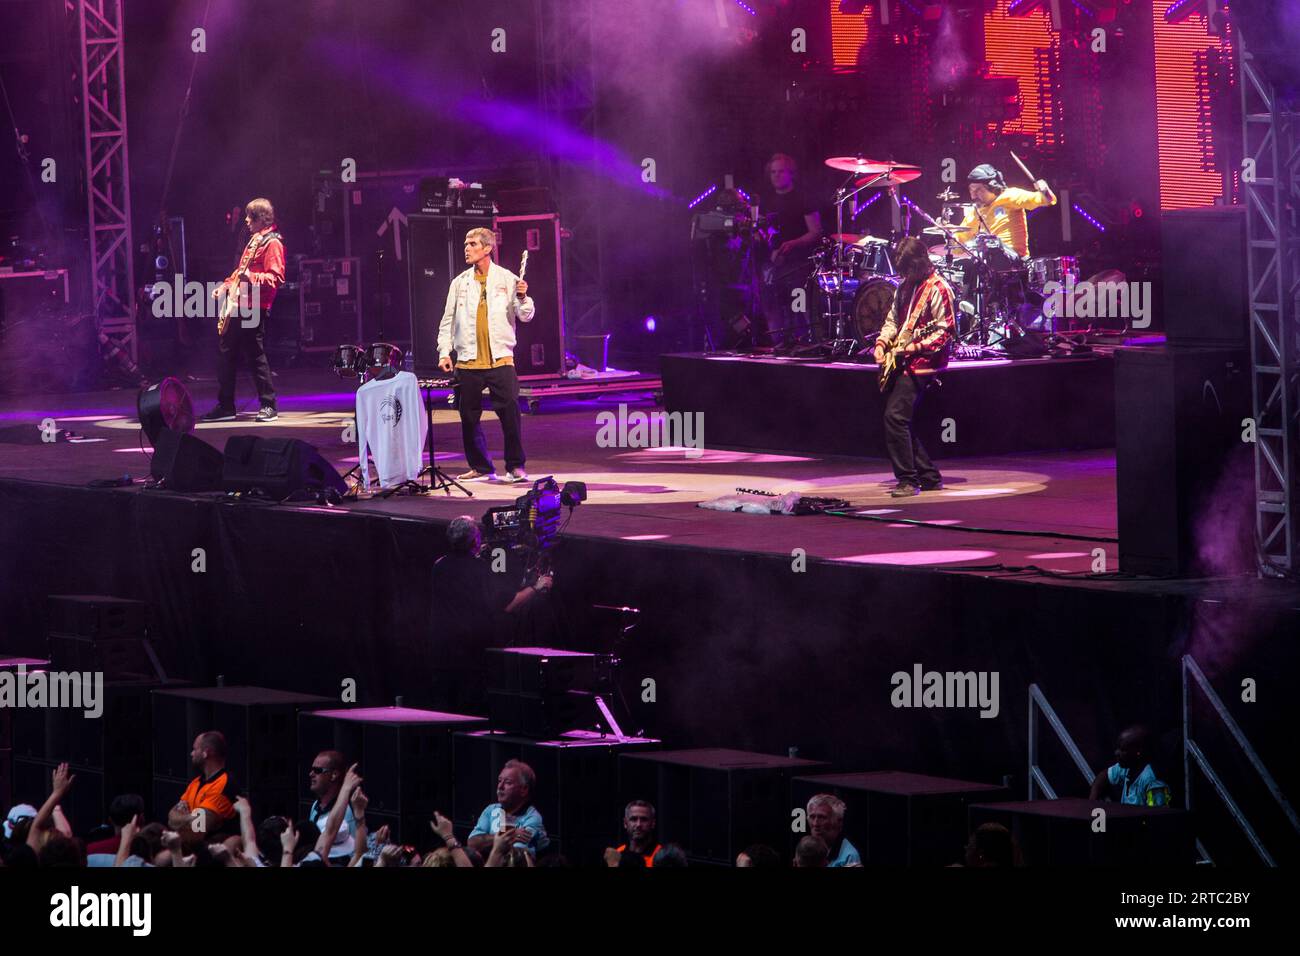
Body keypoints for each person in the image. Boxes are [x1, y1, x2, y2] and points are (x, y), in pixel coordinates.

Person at [437, 227, 535, 482]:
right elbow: (447, 321)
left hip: (500, 359)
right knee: (468, 417)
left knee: (510, 415)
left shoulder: (507, 279)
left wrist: (523, 297)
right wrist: (444, 352)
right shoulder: (459, 283)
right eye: (466, 244)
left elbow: (525, 315)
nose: (466, 248)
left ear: (487, 248)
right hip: (468, 362)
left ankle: (515, 466)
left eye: (472, 244)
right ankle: (480, 466)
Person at [428, 516, 553, 711]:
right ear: (475, 541)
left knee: (445, 711)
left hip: (442, 653)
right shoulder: (480, 570)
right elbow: (508, 604)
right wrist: (536, 587)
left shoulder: (439, 566)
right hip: (471, 656)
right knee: (472, 712)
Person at [873, 236, 956, 497]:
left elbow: (945, 331)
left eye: (908, 269)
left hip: (925, 363)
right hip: (903, 359)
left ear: (920, 262)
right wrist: (882, 343)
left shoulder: (939, 288)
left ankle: (908, 480)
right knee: (902, 421)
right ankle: (929, 476)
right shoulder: (904, 287)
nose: (906, 275)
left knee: (895, 418)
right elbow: (892, 320)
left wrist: (915, 347)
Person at [201, 198, 285, 422]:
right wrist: (225, 286)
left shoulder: (272, 243)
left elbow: (276, 278)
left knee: (255, 356)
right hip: (238, 304)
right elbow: (240, 272)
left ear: (260, 219)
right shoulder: (254, 241)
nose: (246, 221)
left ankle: (269, 405)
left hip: (255, 305)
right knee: (226, 355)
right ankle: (226, 406)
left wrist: (252, 277)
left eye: (250, 217)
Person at [760, 153, 823, 345]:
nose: (776, 176)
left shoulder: (803, 198)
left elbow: (816, 231)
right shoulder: (766, 201)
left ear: (791, 174)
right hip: (773, 265)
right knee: (773, 308)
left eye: (781, 172)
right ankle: (777, 347)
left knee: (800, 307)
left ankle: (808, 345)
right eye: (773, 172)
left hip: (798, 266)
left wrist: (794, 243)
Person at [949, 164, 1056, 259]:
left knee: (992, 247)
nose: (973, 195)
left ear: (993, 187)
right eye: (971, 190)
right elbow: (959, 245)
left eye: (978, 190)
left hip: (1014, 259)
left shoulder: (1010, 196)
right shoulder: (974, 211)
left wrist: (1045, 190)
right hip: (986, 263)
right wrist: (948, 232)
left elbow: (1045, 200)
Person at [467, 759, 549, 858]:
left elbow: (515, 855)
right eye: (499, 781)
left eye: (508, 782)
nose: (500, 786)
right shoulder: (491, 810)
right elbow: (472, 843)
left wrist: (489, 841)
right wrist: (509, 835)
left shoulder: (532, 818)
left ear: (524, 789)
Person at [167, 731, 238, 844]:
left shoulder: (223, 784)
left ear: (206, 753)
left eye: (195, 749)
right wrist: (190, 818)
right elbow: (171, 818)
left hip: (210, 849)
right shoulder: (195, 783)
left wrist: (184, 818)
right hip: (191, 845)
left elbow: (197, 830)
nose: (191, 753)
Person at [1089, 724, 1173, 807]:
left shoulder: (1153, 782)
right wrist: (1092, 801)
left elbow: (1157, 815)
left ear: (1138, 752)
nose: (1116, 753)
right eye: (1118, 748)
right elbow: (1104, 776)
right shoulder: (1128, 768)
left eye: (1123, 750)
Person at [306, 751, 360, 863]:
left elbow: (354, 853)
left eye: (317, 770)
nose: (311, 774)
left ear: (334, 775)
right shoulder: (315, 805)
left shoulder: (348, 810)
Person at [806, 793, 860, 867]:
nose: (815, 824)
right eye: (812, 817)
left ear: (839, 822)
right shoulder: (807, 849)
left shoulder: (849, 857)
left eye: (822, 817)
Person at [608, 799, 662, 867]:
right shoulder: (617, 855)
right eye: (633, 819)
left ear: (653, 823)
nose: (638, 824)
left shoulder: (661, 856)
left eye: (644, 819)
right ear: (625, 823)